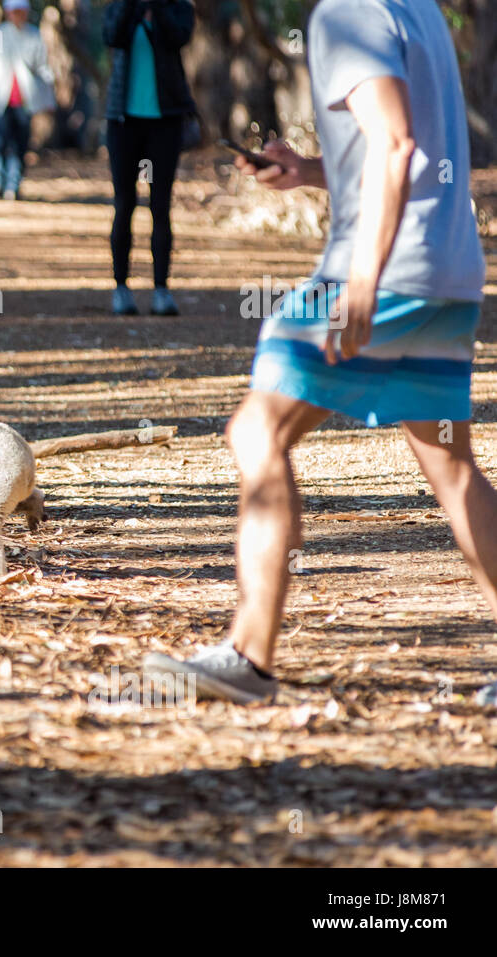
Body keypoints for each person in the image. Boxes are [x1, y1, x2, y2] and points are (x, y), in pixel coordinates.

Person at [143, 0, 494, 705]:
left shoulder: (347, 12)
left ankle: (249, 655)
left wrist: (362, 280)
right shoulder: (414, 9)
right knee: (452, 468)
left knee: (255, 429)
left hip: (384, 273)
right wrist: (307, 169)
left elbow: (396, 146)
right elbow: (410, 151)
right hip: (447, 271)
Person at [102, 0, 195, 316]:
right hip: (123, 122)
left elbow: (179, 38)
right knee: (124, 203)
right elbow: (112, 37)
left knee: (160, 206)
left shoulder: (177, 7)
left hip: (165, 123)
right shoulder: (119, 7)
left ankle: (161, 290)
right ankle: (121, 288)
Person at [0, 0, 55, 201]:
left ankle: (14, 184)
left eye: (21, 11)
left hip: (25, 100)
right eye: (14, 11)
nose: (17, 15)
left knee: (20, 144)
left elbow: (42, 67)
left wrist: (47, 96)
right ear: (8, 13)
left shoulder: (33, 35)